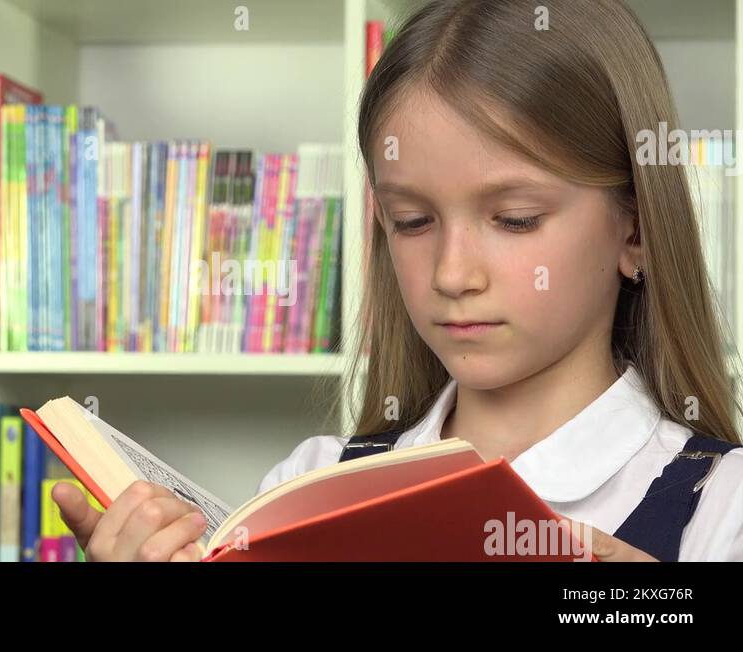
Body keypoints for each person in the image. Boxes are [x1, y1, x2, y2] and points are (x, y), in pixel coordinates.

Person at [51, 0, 743, 561]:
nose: (451, 274)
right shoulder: (310, 482)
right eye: (412, 221)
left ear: (635, 230)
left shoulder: (722, 506)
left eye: (515, 218)